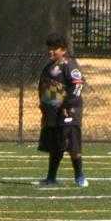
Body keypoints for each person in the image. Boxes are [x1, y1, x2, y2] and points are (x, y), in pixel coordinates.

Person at [38, 33, 88, 187]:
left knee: (71, 142)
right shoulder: (48, 67)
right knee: (56, 144)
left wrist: (67, 105)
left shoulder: (70, 67)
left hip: (69, 111)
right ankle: (51, 178)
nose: (51, 52)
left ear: (63, 50)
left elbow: (77, 85)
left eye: (55, 49)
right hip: (53, 112)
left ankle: (79, 176)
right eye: (49, 48)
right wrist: (44, 106)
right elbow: (45, 88)